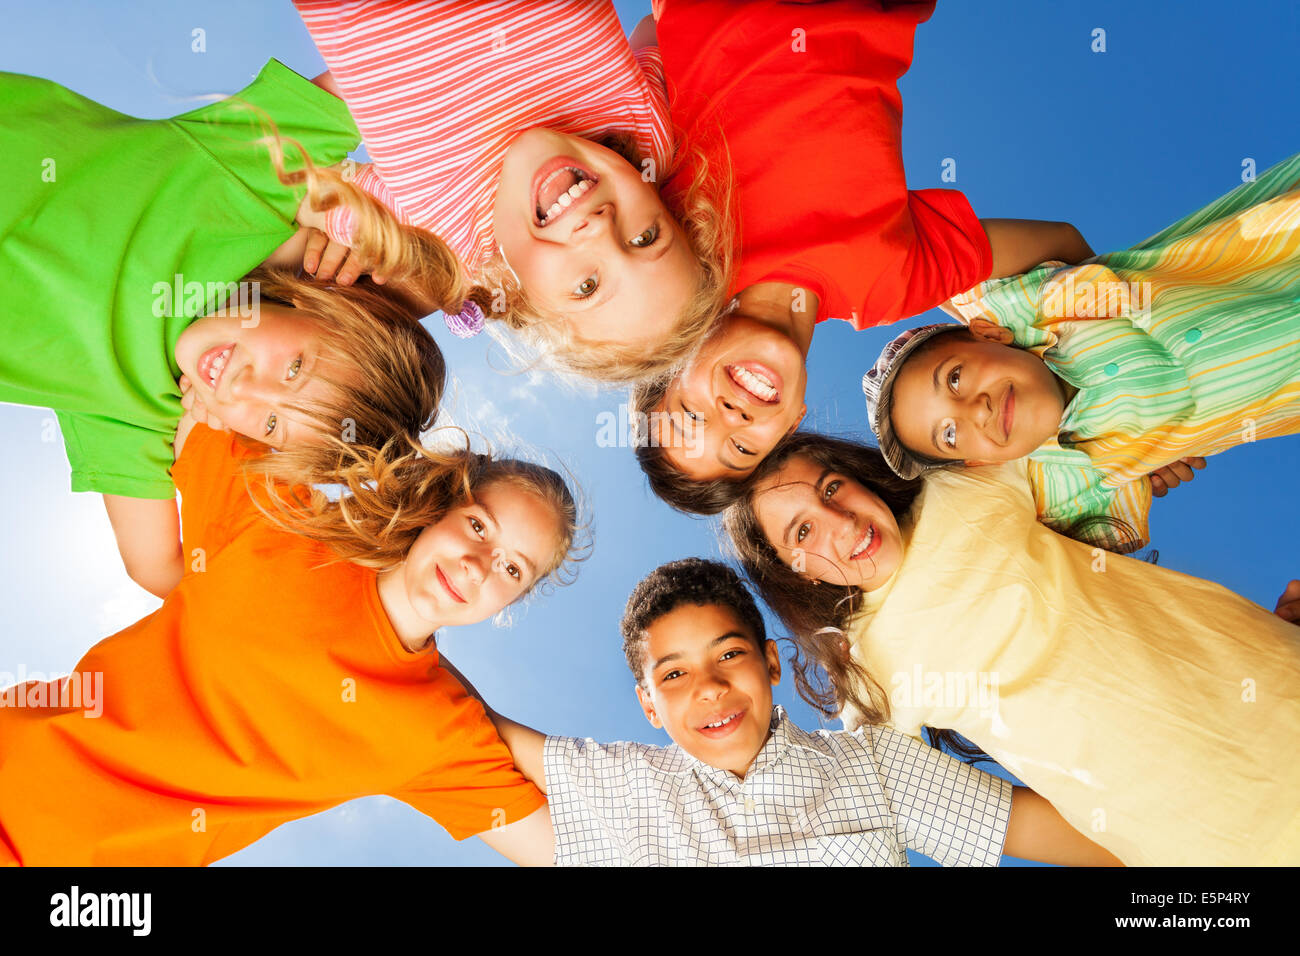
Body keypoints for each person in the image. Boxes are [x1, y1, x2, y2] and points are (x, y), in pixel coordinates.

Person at [0, 410, 582, 866]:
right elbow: (203, 378)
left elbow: (573, 855)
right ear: (436, 507)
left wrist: (484, 716)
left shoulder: (439, 732)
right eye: (478, 525)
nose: (480, 565)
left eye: (513, 570)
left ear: (513, 600)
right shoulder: (281, 518)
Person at [723, 432, 1300, 865]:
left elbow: (1070, 424)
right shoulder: (869, 668)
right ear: (797, 576)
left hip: (1273, 675)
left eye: (831, 488)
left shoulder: (960, 487)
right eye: (802, 532)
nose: (838, 520)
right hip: (1209, 835)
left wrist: (1142, 457)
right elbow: (857, 799)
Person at [0, 63, 448, 596]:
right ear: (328, 308)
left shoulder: (144, 413)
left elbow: (163, 572)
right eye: (295, 368)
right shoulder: (246, 186)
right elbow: (385, 68)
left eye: (272, 424)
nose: (244, 390)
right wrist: (373, 239)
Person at [632, 0, 1092, 509]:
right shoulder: (886, 288)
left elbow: (645, 42)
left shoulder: (674, 226)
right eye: (741, 448)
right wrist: (1130, 406)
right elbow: (1061, 245)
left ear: (670, 356)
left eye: (692, 415)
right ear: (791, 424)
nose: (732, 418)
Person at [464, 558, 1121, 866]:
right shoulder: (628, 790)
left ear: (771, 663)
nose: (710, 687)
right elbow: (465, 726)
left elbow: (1063, 834)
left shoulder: (875, 767)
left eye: (729, 656)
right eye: (674, 674)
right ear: (649, 705)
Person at [868, 149, 1300, 551]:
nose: (975, 410)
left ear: (987, 334)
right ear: (977, 462)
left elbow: (952, 253)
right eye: (949, 435)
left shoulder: (1026, 309)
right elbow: (1076, 579)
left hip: (1278, 243)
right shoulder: (1062, 489)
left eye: (954, 378)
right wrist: (1151, 461)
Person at [291, 0, 733, 382]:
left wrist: (331, 229)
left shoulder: (437, 237)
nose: (601, 230)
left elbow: (292, 176)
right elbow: (663, 26)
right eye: (645, 239)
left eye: (587, 286)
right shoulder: (644, 133)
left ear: (523, 300)